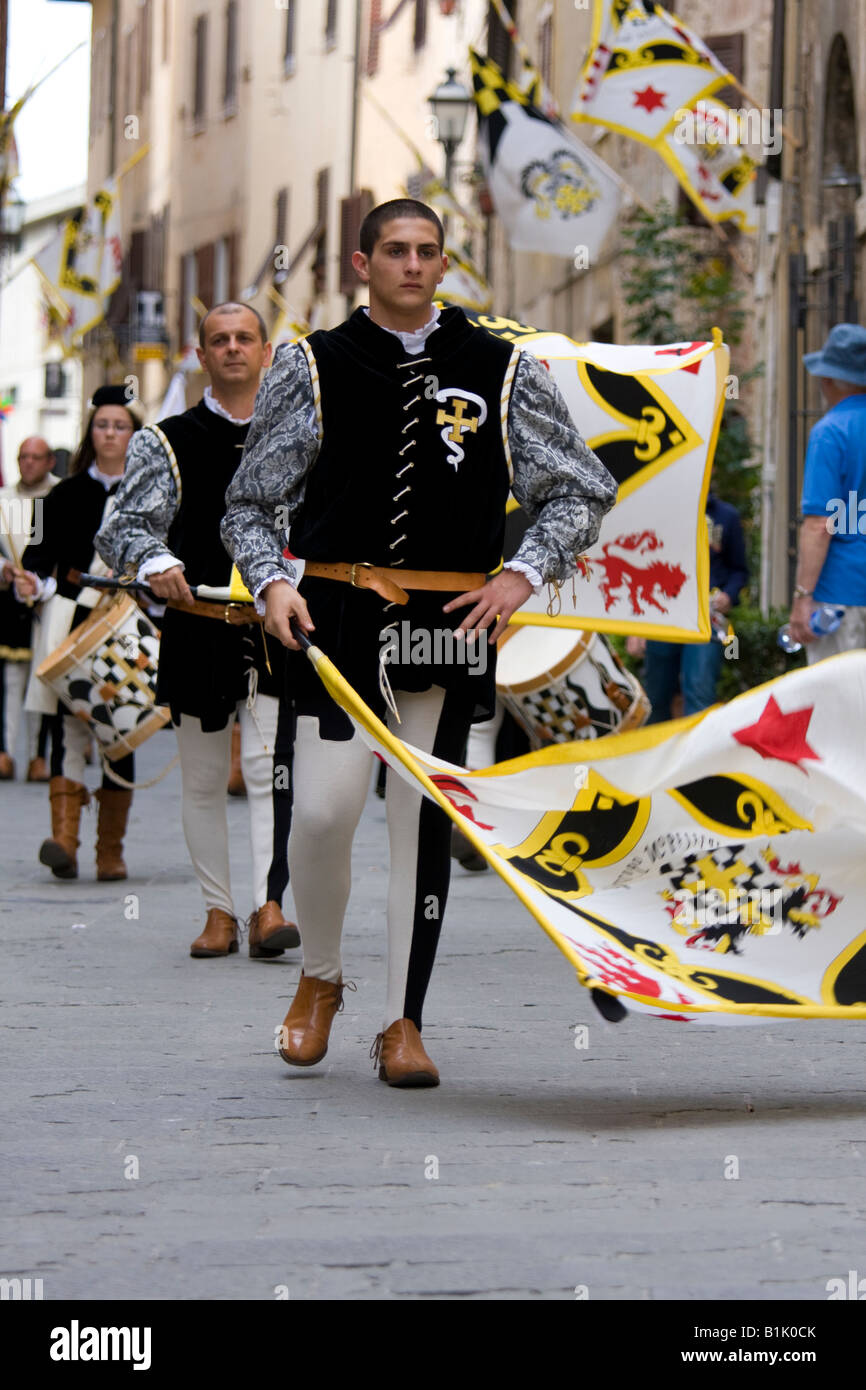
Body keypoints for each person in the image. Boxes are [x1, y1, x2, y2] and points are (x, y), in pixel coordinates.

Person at [222, 198, 616, 1087]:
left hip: (447, 624)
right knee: (322, 816)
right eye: (394, 250)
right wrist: (274, 579)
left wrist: (523, 573)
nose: (411, 263)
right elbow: (248, 504)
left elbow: (582, 488)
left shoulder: (502, 366)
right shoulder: (309, 365)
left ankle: (404, 1020)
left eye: (427, 251)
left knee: (421, 823)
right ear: (363, 264)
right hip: (334, 620)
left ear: (444, 264)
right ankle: (320, 976)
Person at [96, 302, 299, 961]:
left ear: (266, 352)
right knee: (205, 780)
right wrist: (155, 559)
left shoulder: (299, 433)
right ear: (203, 355)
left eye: (245, 338)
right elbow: (120, 527)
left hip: (277, 626)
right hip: (198, 622)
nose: (234, 348)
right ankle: (219, 911)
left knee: (273, 770)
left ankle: (270, 908)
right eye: (220, 340)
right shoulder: (166, 439)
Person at [14, 389, 144, 879]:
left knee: (120, 729)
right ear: (90, 434)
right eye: (102, 425)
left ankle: (109, 850)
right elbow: (36, 564)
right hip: (68, 618)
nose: (110, 433)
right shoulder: (59, 496)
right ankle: (64, 840)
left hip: (123, 619)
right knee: (67, 725)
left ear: (134, 435)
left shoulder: (148, 493)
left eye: (120, 425)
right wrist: (31, 583)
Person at [631, 485, 748, 721]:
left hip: (707, 616)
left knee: (699, 693)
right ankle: (657, 756)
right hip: (662, 614)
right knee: (656, 697)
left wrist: (729, 594)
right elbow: (641, 570)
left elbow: (739, 570)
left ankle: (695, 757)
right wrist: (635, 628)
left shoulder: (726, 516)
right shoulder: (659, 515)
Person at [787, 323, 866, 660]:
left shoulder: (831, 432)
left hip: (841, 597)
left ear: (829, 379)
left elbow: (820, 525)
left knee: (840, 708)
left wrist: (802, 598)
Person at [0, 437, 60, 780]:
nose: (29, 464)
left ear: (50, 461)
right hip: (9, 604)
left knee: (44, 682)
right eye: (24, 457)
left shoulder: (59, 497)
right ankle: (5, 752)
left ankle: (40, 756)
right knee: (9, 681)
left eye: (36, 458)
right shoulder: (4, 500)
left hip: (47, 602)